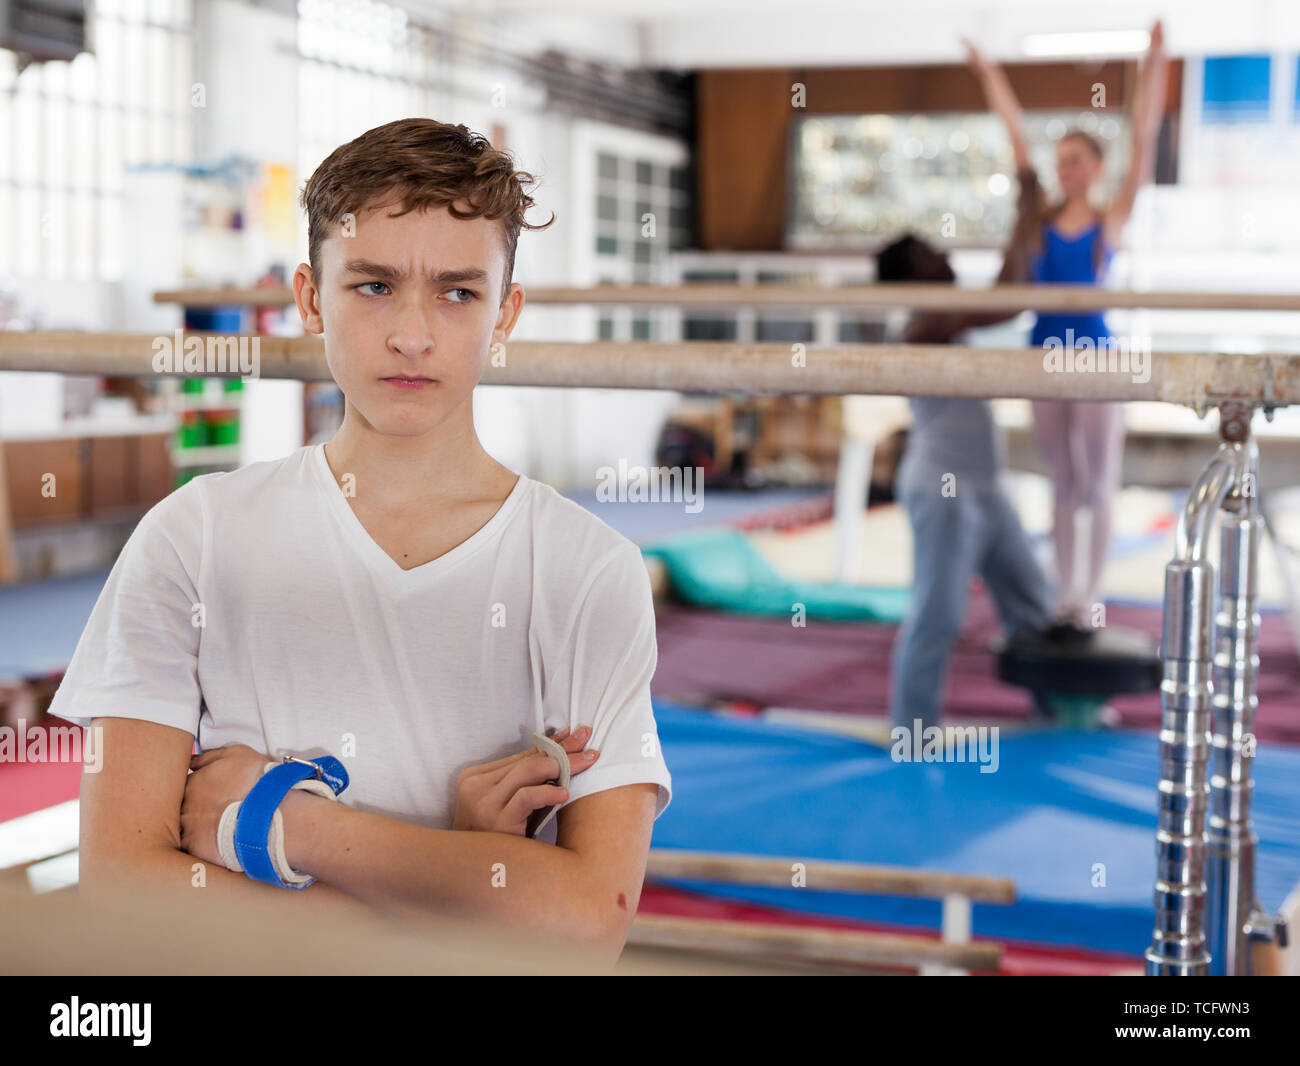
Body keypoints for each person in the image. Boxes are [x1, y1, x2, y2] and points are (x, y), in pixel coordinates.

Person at [53, 118, 672, 966]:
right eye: (374, 286)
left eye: (458, 292)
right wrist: (468, 885)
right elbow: (122, 883)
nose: (411, 335)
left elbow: (589, 924)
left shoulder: (586, 571)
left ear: (505, 314)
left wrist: (294, 824)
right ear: (311, 298)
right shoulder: (193, 537)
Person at [964, 23, 1169, 633]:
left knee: (1098, 481)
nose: (1066, 169)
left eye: (1076, 159)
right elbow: (1015, 135)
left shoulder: (1111, 218)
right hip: (1044, 356)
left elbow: (1147, 135)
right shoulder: (1041, 221)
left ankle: (1090, 592)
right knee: (1062, 482)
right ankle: (1064, 595)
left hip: (1098, 357)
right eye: (1061, 161)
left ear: (1098, 167)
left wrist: (1154, 59)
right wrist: (986, 71)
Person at [880, 215, 1053, 732]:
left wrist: (1028, 219)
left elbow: (1010, 290)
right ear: (915, 275)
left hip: (987, 489)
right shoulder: (921, 327)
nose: (946, 256)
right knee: (939, 617)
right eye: (932, 252)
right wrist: (1025, 207)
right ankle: (911, 729)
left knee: (1034, 608)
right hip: (943, 490)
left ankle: (1057, 713)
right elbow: (1009, 298)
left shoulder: (946, 325)